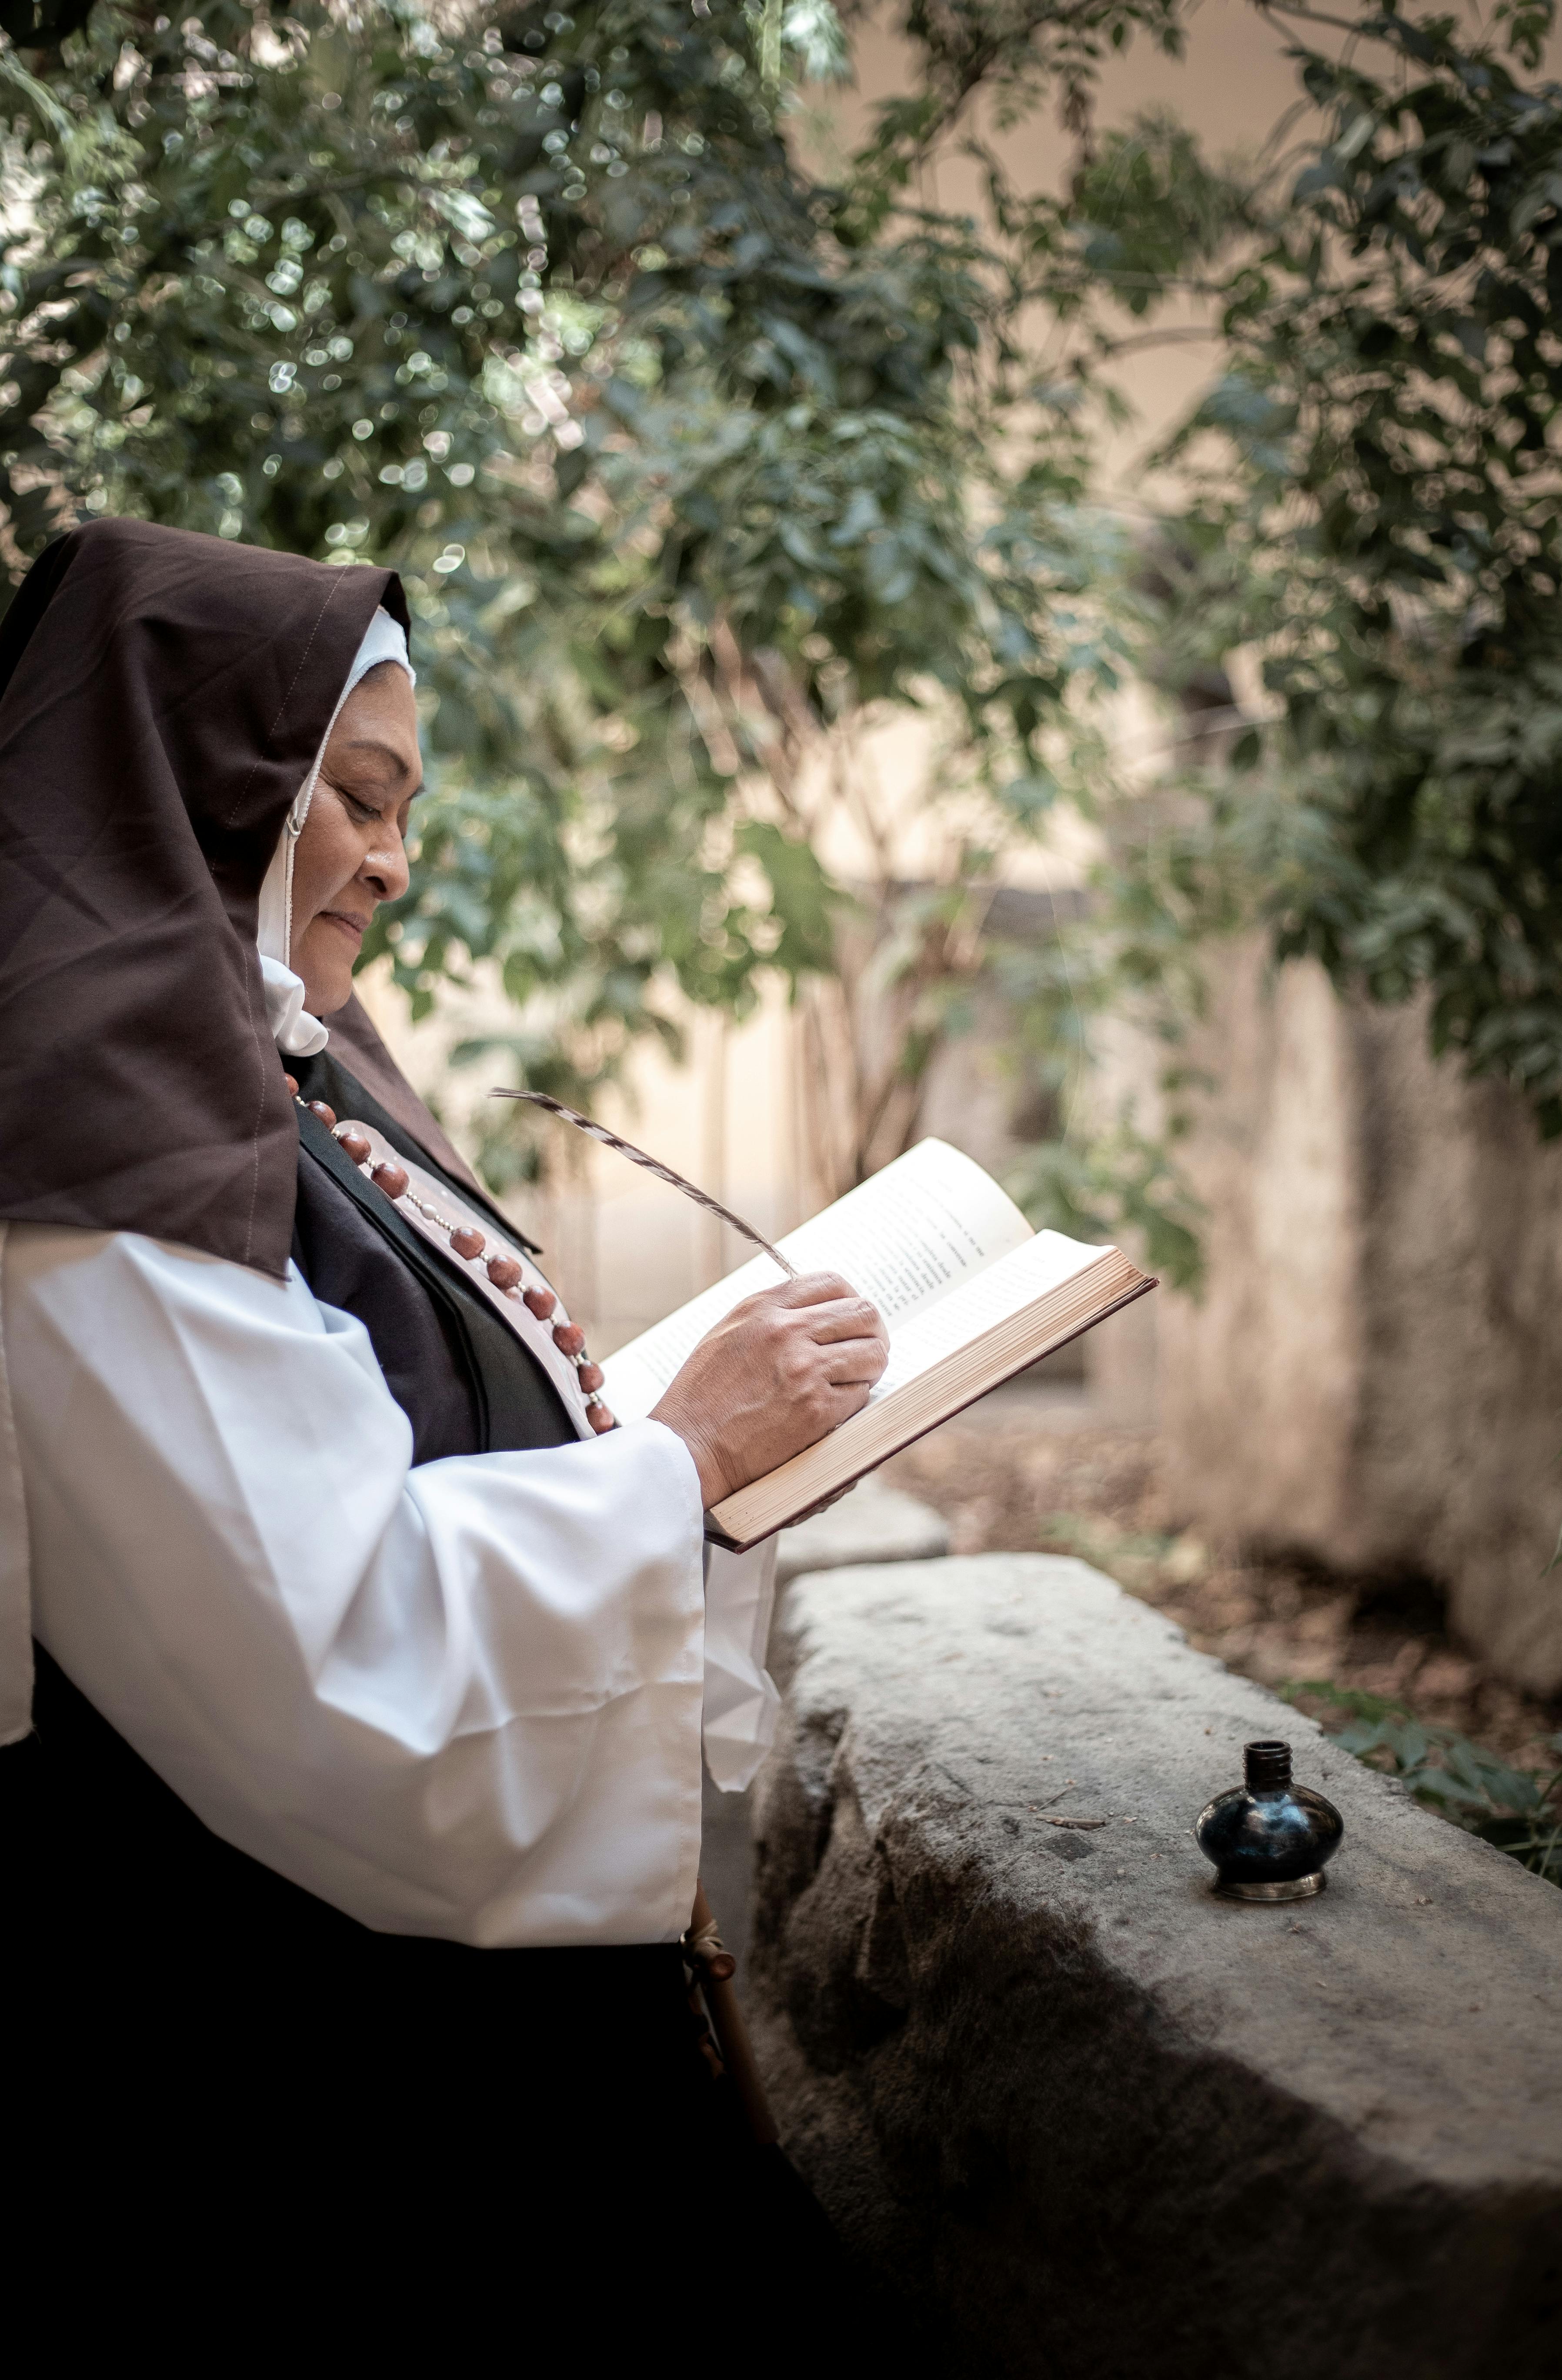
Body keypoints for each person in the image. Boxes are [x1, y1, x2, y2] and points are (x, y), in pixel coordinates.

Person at [0, 519, 890, 2343]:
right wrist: (681, 1461)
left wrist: (641, 1432)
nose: (396, 867)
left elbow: (375, 1441)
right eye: (361, 797)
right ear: (202, 780)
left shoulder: (264, 1076)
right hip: (309, 2067)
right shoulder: (91, 1175)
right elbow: (326, 1647)